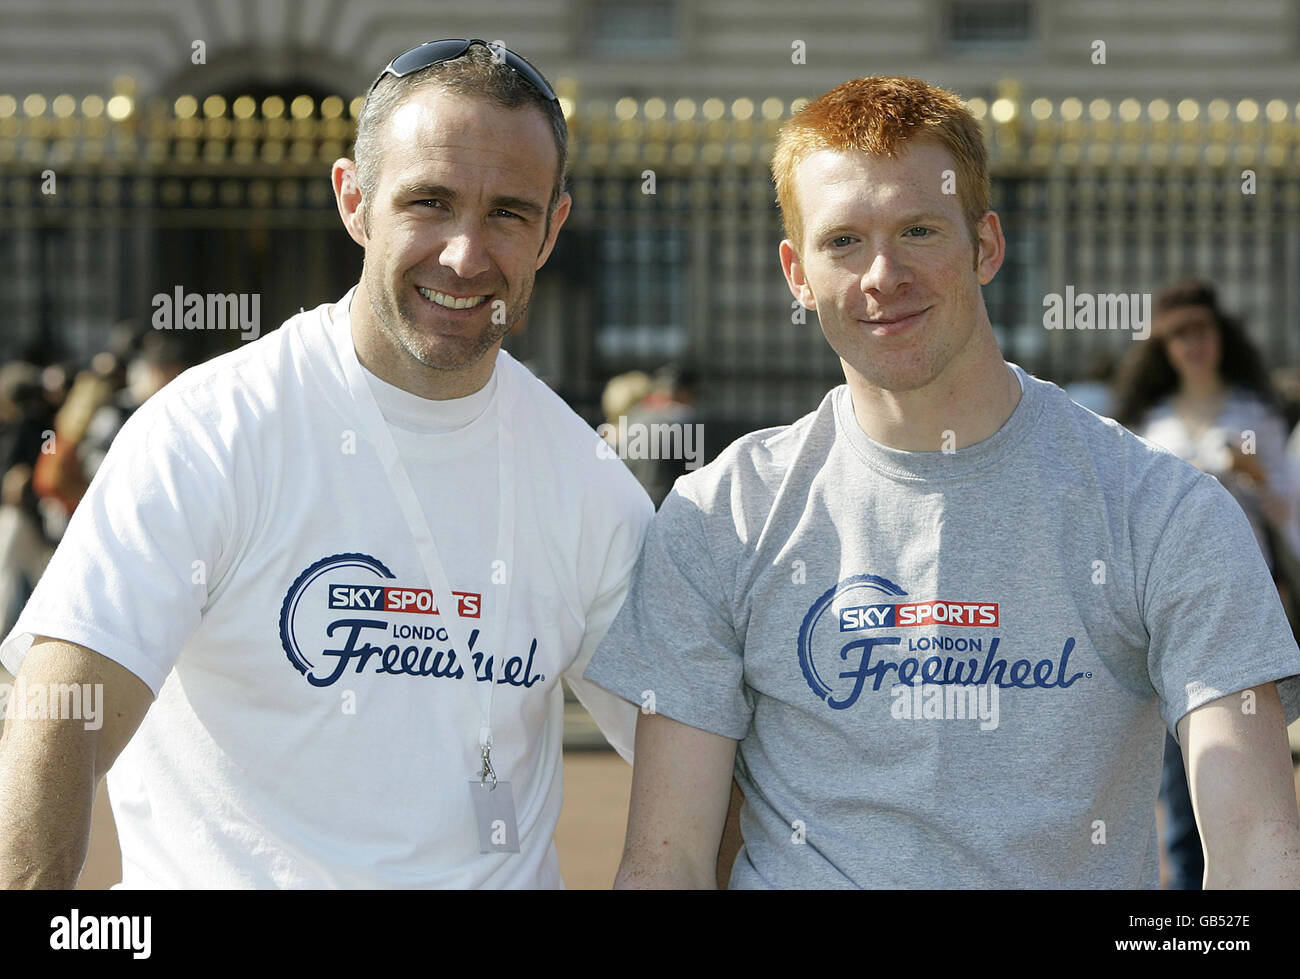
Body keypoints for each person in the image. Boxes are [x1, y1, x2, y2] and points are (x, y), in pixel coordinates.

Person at [583, 75, 1300, 888]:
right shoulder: (722, 514)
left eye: (919, 230)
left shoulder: (1164, 511)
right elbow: (664, 861)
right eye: (843, 241)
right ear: (795, 272)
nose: (882, 274)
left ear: (987, 245)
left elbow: (1258, 859)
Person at [0, 38, 652, 888]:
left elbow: (693, 758)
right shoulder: (208, 432)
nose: (465, 254)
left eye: (508, 213)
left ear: (552, 228)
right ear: (354, 201)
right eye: (429, 201)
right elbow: (60, 719)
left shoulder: (588, 480)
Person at [1112, 280, 1296, 888]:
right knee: (1174, 766)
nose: (1194, 344)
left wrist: (1258, 475)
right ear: (1162, 348)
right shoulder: (1146, 426)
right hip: (1163, 610)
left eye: (1203, 331)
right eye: (1179, 335)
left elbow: (1290, 514)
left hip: (1245, 607)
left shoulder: (1255, 414)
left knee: (1242, 764)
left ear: (1222, 337)